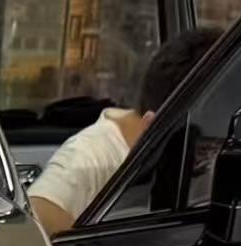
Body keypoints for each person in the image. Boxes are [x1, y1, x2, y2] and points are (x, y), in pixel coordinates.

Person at [27, 28, 228, 234]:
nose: (212, 155)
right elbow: (38, 214)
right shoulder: (90, 154)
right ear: (155, 127)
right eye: (205, 147)